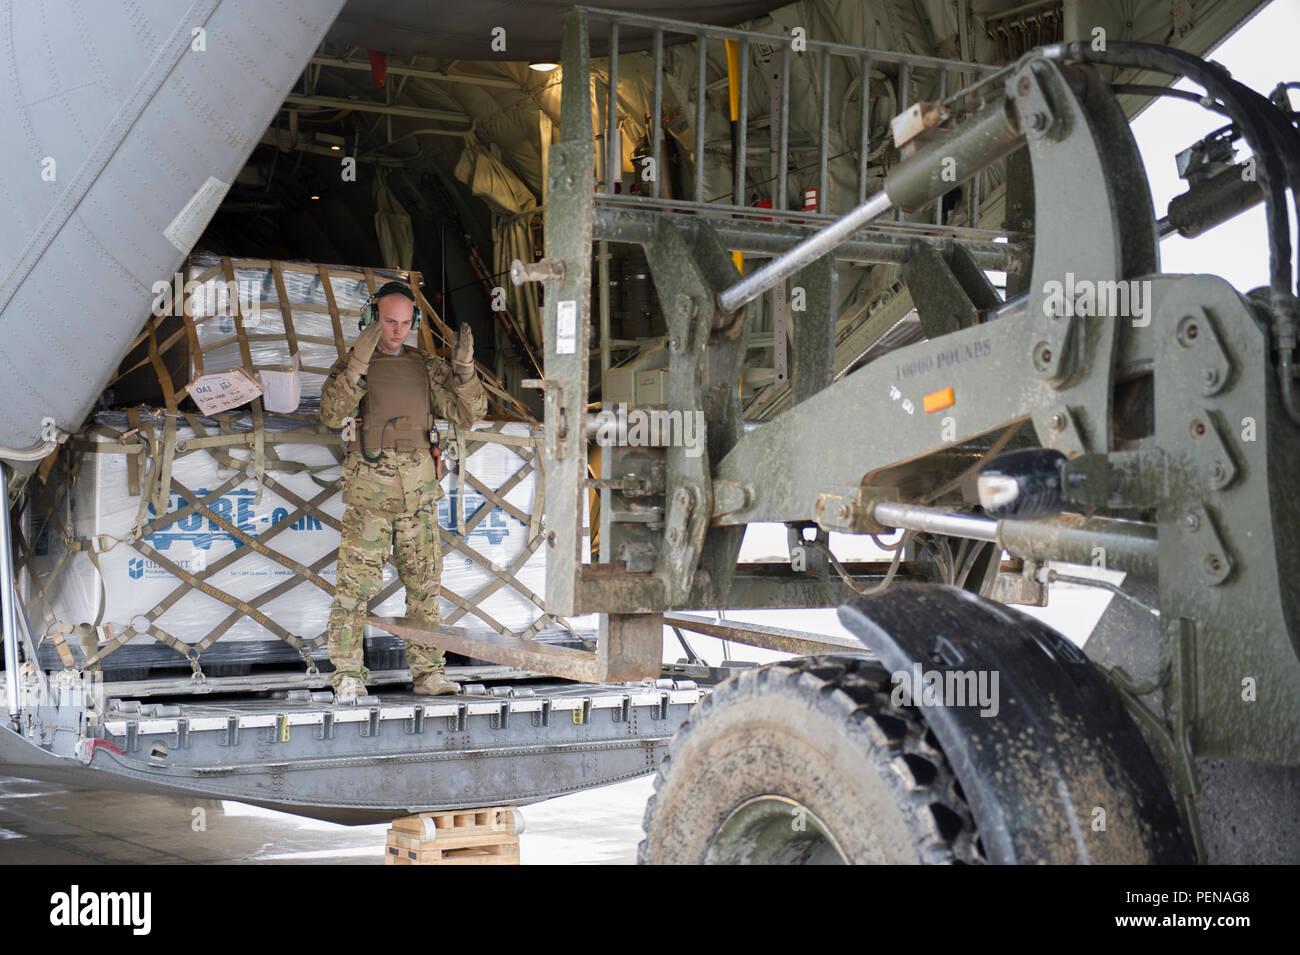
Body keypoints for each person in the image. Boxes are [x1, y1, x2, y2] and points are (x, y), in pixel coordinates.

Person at [319, 280, 487, 700]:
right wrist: (357, 363)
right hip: (370, 500)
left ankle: (428, 673)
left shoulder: (425, 366)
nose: (397, 331)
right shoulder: (352, 364)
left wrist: (465, 372)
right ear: (374, 319)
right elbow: (331, 413)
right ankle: (348, 675)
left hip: (419, 498)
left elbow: (470, 415)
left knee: (425, 589)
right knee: (355, 590)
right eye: (390, 322)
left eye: (405, 323)